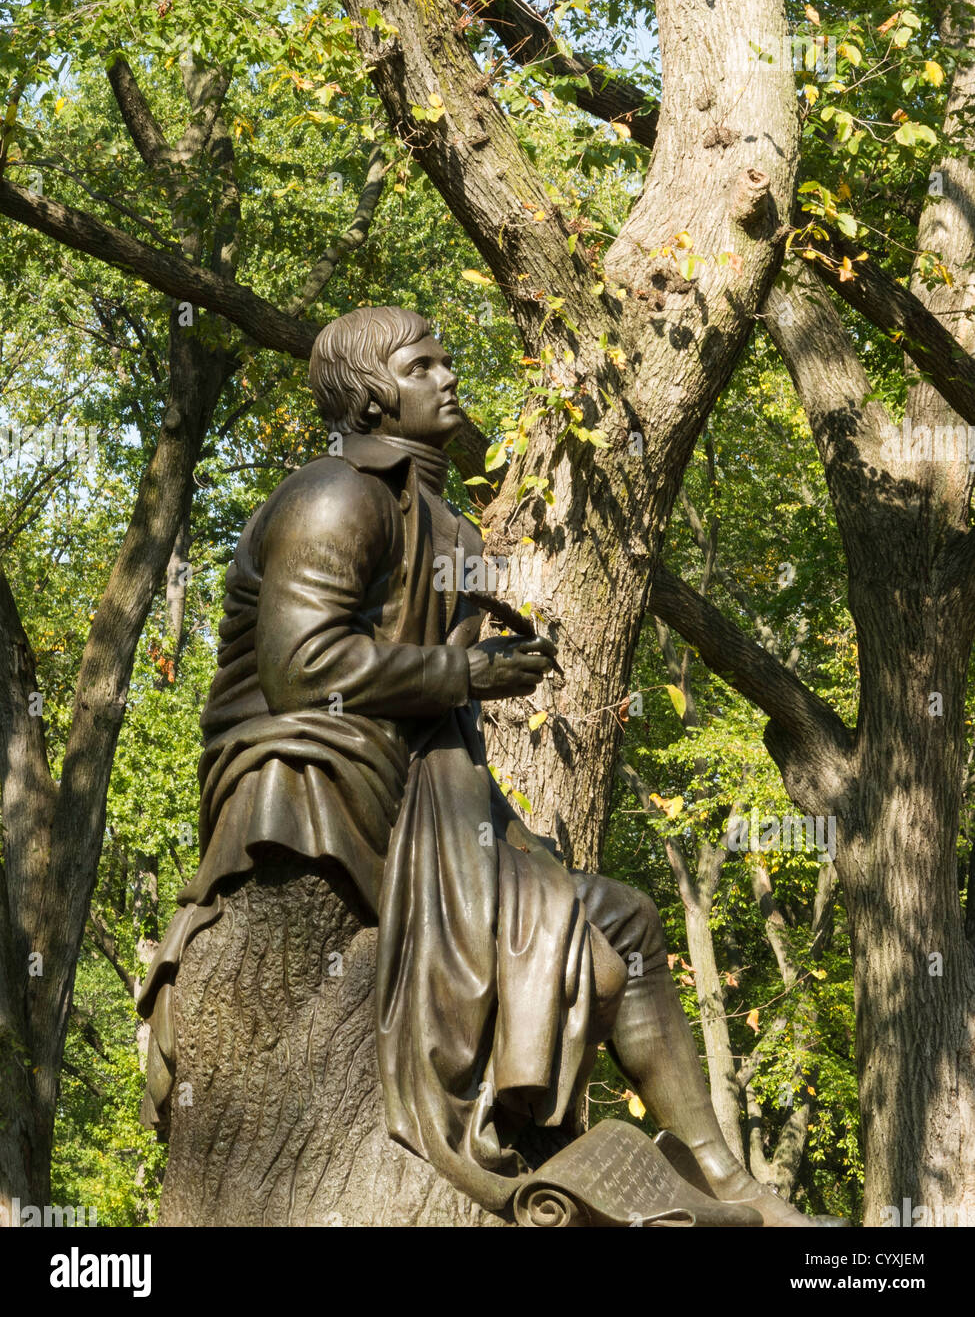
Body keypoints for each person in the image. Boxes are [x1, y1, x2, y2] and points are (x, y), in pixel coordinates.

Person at [139, 305, 823, 1226]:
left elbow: (425, 690)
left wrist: (483, 687)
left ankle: (725, 1180)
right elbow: (301, 670)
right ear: (375, 393)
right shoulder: (331, 495)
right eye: (424, 366)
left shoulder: (448, 529)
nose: (449, 378)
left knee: (618, 916)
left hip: (424, 785)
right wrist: (465, 671)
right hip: (318, 778)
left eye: (445, 362)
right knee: (563, 924)